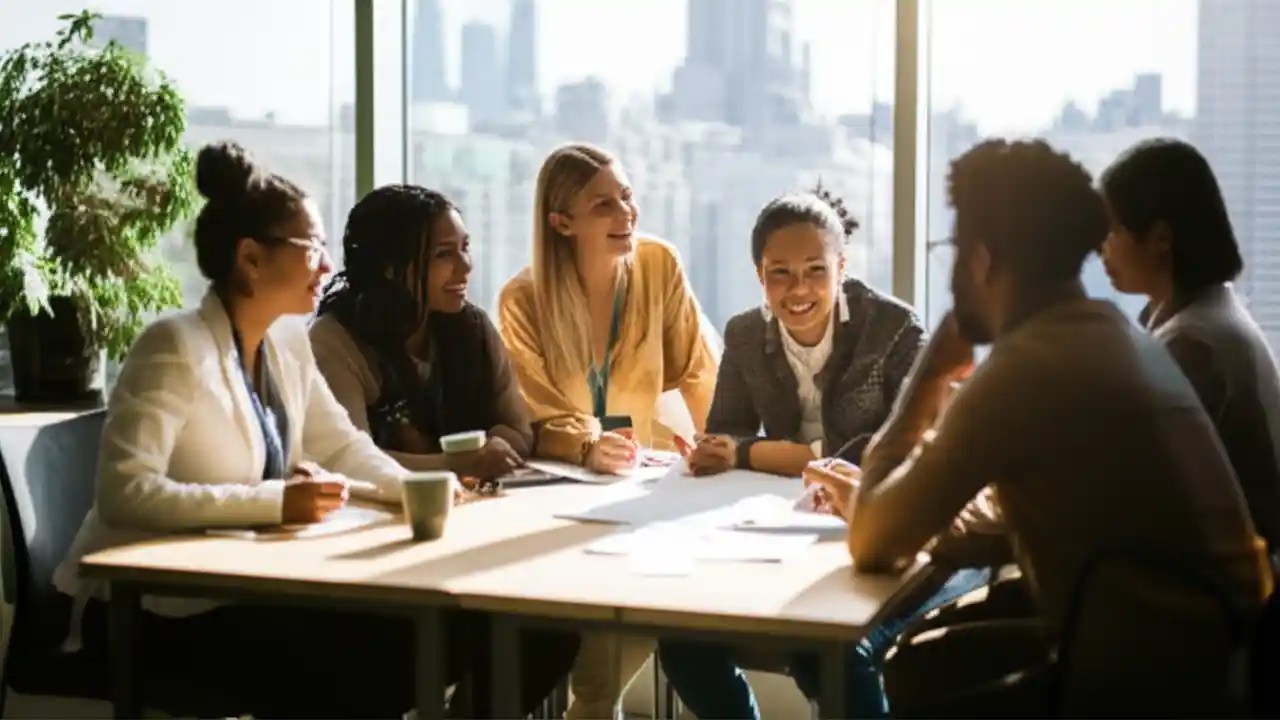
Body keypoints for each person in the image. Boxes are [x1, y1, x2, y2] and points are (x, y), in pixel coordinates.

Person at [807, 139, 1273, 715]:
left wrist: (928, 376)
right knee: (922, 659)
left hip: (1159, 685)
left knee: (921, 672)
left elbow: (875, 543)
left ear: (980, 259)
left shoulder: (1027, 367)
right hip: (1217, 651)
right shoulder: (1111, 332)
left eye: (949, 250)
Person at [52, 142, 424, 718]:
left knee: (407, 640)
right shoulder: (174, 346)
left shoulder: (288, 341)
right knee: (367, 661)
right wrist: (275, 500)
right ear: (251, 258)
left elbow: (340, 444)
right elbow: (124, 491)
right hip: (148, 610)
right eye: (314, 247)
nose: (327, 267)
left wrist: (414, 492)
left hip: (241, 591)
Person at [661, 186, 990, 719]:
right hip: (795, 537)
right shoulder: (746, 333)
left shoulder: (893, 327)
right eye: (779, 273)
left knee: (828, 652)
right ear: (759, 275)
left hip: (912, 542)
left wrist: (768, 456)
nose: (798, 289)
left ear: (842, 266)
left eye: (815, 270)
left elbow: (895, 451)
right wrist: (751, 455)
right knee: (682, 645)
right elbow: (724, 435)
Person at [309, 183, 580, 715]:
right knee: (399, 660)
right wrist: (457, 465)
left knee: (551, 633)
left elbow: (516, 426)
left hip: (464, 541)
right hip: (371, 560)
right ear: (391, 267)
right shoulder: (334, 342)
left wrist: (500, 445)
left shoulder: (472, 330)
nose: (464, 267)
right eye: (442, 255)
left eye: (465, 248)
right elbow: (349, 459)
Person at [498, 142, 718, 718]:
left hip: (642, 483)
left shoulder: (658, 265)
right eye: (604, 206)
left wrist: (721, 446)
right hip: (563, 495)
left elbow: (696, 371)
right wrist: (588, 446)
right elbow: (534, 416)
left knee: (616, 649)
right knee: (600, 650)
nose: (626, 214)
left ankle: (594, 704)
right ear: (561, 222)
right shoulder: (523, 300)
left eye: (627, 197)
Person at [1101, 137, 1280, 561]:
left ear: (1160, 239)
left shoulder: (1194, 344)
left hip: (1218, 602)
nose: (1101, 247)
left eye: (1111, 229)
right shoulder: (1202, 316)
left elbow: (1127, 486)